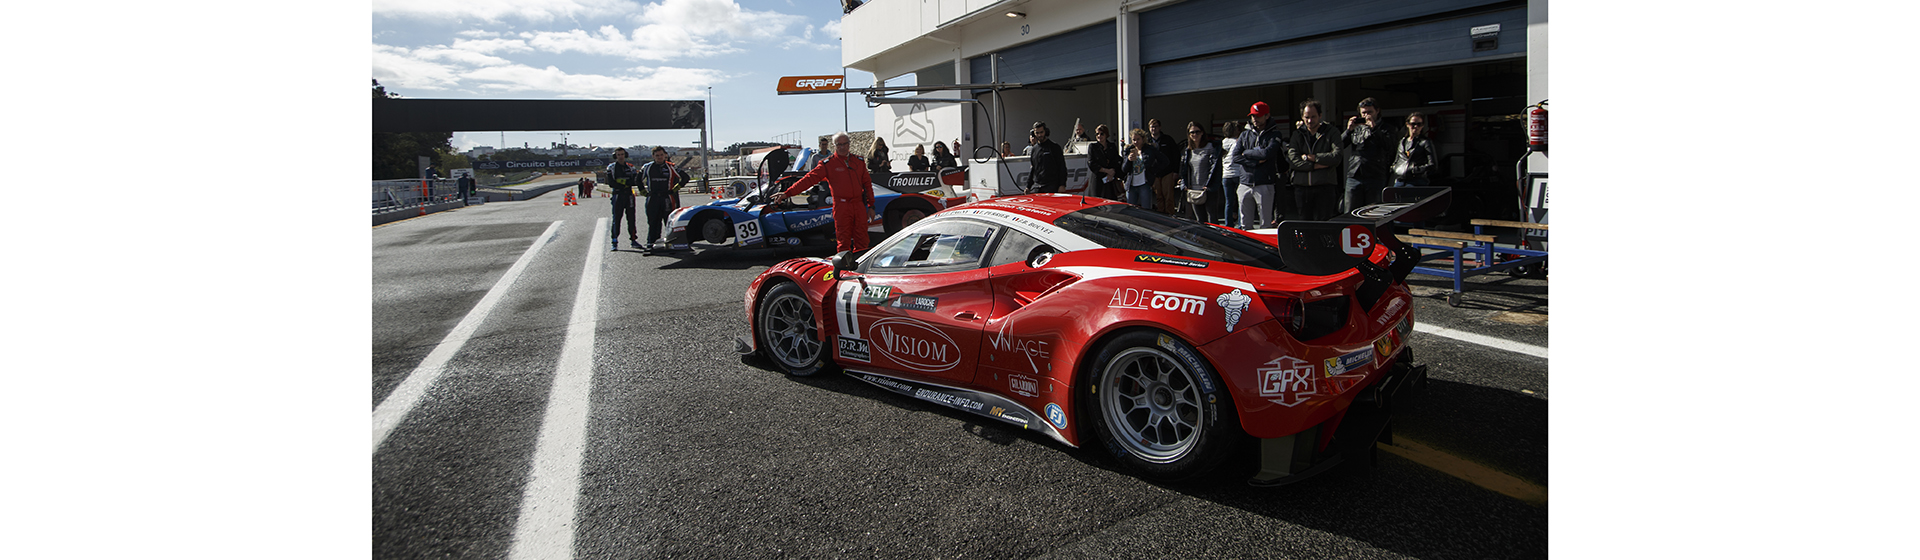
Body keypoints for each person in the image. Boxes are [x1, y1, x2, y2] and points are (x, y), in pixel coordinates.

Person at [772, 132, 878, 253]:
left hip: (858, 205)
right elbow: (808, 180)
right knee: (843, 241)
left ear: (849, 144)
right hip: (842, 206)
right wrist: (787, 193)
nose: (842, 147)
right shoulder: (828, 164)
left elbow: (868, 184)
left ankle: (861, 269)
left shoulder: (859, 161)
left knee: (863, 241)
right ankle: (844, 269)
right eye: (839, 144)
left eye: (845, 144)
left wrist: (871, 206)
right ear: (834, 146)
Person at [1232, 102, 1288, 229]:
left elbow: (1267, 153)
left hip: (1265, 183)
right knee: (1245, 225)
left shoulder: (1275, 134)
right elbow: (1235, 156)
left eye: (1258, 116)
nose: (1255, 119)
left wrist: (1246, 152)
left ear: (1267, 116)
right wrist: (1254, 162)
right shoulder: (1245, 134)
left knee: (1265, 225)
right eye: (1253, 116)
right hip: (1245, 182)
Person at [1288, 99, 1343, 221]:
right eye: (1306, 117)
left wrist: (1313, 157)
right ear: (1302, 117)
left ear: (1320, 116)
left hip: (1324, 186)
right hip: (1302, 187)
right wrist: (1314, 166)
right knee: (1305, 224)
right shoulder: (1298, 134)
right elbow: (1293, 160)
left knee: (1324, 223)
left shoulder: (1331, 132)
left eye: (1313, 117)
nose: (1310, 121)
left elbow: (1337, 156)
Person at [1341, 97, 1393, 211]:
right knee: (1350, 211)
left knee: (1373, 212)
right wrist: (1348, 131)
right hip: (1355, 174)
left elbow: (1388, 146)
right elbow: (1339, 146)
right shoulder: (1357, 128)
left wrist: (1374, 128)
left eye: (1370, 112)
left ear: (1377, 111)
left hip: (1375, 175)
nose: (1366, 116)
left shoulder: (1386, 128)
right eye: (1363, 113)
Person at [638, 146, 687, 251]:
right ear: (653, 156)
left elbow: (685, 177)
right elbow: (637, 179)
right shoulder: (647, 167)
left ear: (665, 155)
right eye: (657, 155)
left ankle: (672, 243)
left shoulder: (672, 166)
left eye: (661, 155)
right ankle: (651, 243)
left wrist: (676, 188)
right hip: (653, 198)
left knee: (669, 221)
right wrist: (643, 191)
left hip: (667, 198)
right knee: (653, 222)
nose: (660, 157)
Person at [1177, 122, 1222, 224]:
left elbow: (1216, 169)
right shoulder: (1188, 150)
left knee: (1212, 219)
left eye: (1197, 132)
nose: (1195, 135)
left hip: (1208, 188)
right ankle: (1203, 240)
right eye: (1192, 132)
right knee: (1200, 220)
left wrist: (1211, 185)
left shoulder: (1210, 147)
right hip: (1194, 189)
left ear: (1202, 133)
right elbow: (1184, 169)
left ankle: (1214, 239)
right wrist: (1185, 184)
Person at [1119, 128, 1163, 212]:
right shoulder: (1128, 150)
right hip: (1131, 185)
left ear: (1143, 139)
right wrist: (1128, 160)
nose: (1136, 142)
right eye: (1133, 140)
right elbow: (1124, 169)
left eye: (1138, 139)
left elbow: (1164, 161)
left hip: (1144, 184)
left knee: (1146, 210)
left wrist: (1153, 171)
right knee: (1131, 211)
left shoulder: (1149, 149)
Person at [606, 147, 642, 250]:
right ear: (615, 156)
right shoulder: (611, 168)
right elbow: (611, 183)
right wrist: (625, 183)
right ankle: (614, 241)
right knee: (616, 218)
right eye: (618, 155)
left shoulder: (631, 167)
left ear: (625, 155)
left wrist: (621, 182)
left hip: (629, 195)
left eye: (622, 154)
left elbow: (634, 181)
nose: (621, 157)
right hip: (617, 195)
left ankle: (633, 240)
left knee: (631, 218)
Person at [1392, 111, 1437, 187]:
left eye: (1419, 124)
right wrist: (1395, 168)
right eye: (1413, 124)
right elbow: (1397, 159)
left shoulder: (1425, 142)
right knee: (1394, 197)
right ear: (1407, 124)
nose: (1416, 127)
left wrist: (1415, 170)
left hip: (1417, 181)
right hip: (1400, 179)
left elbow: (1433, 165)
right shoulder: (1402, 141)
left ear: (1422, 126)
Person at [1147, 118, 1182, 215]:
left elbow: (1176, 156)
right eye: (1151, 127)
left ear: (1160, 127)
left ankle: (1170, 215)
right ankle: (1161, 216)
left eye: (1155, 126)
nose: (1154, 129)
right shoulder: (1147, 141)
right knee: (1159, 196)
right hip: (1155, 173)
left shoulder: (1168, 139)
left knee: (1168, 196)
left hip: (1167, 172)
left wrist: (1176, 171)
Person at [1025, 121, 1066, 194]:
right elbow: (1033, 168)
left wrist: (1062, 185)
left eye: (1041, 132)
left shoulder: (1054, 147)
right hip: (1037, 187)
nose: (1040, 135)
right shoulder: (1034, 149)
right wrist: (1028, 186)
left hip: (1051, 186)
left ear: (1046, 132)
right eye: (1037, 133)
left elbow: (1062, 167)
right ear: (1034, 133)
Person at [1087, 124, 1123, 200]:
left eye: (1101, 134)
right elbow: (1091, 163)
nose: (1099, 136)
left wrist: (1112, 172)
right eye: (1097, 134)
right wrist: (1106, 170)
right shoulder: (1093, 147)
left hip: (1110, 180)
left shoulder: (1112, 146)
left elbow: (1116, 160)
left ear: (1106, 134)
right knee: (1097, 202)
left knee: (1111, 201)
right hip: (1097, 179)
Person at [1218, 120, 1243, 226]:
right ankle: (1240, 224)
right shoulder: (1237, 142)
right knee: (1240, 201)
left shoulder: (1222, 142)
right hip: (1237, 173)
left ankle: (1228, 224)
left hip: (1226, 174)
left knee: (1228, 202)